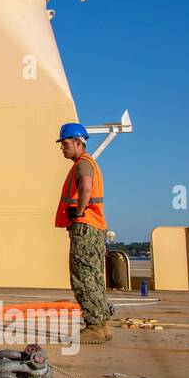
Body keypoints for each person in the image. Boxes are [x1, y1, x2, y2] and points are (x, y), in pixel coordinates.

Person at [55, 122, 114, 343]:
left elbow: (86, 188)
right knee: (95, 276)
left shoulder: (82, 165)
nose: (63, 148)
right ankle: (102, 324)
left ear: (79, 143)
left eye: (66, 143)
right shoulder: (89, 163)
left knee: (82, 277)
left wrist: (78, 212)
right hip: (96, 227)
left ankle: (94, 327)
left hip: (85, 226)